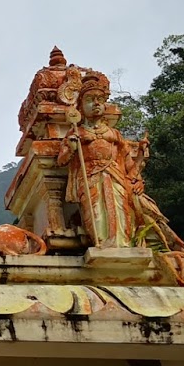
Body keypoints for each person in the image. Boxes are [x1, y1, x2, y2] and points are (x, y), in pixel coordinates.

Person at [55, 70, 137, 248]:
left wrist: (136, 178)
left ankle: (122, 244)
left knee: (120, 210)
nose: (96, 104)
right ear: (80, 107)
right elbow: (61, 160)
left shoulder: (113, 133)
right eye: (90, 100)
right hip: (91, 177)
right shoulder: (77, 132)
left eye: (100, 100)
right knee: (96, 212)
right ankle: (101, 243)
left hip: (116, 176)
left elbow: (127, 160)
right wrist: (71, 147)